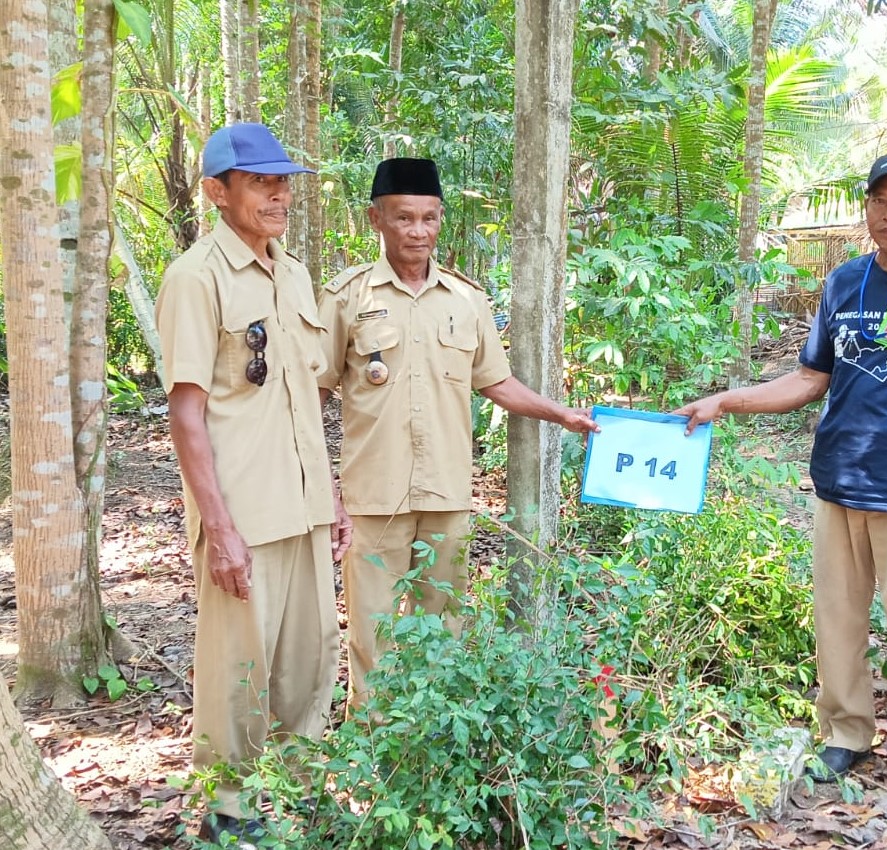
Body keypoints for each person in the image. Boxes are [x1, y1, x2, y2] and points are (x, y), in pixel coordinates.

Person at [677, 150, 887, 806]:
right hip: (838, 485)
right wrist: (726, 400)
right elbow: (808, 379)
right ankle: (846, 734)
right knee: (837, 622)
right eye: (880, 199)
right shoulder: (843, 284)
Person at [317, 157, 598, 707]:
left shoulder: (467, 300)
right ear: (376, 220)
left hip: (447, 494)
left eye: (428, 218)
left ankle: (434, 746)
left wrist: (562, 414)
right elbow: (312, 393)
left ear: (441, 217)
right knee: (371, 634)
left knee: (444, 623)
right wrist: (325, 491)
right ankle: (373, 752)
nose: (417, 231)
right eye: (403, 218)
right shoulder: (347, 297)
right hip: (374, 497)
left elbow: (498, 383)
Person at [156, 123, 352, 844]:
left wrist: (329, 497)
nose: (279, 192)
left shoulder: (294, 273)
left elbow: (306, 396)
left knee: (309, 661)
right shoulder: (194, 277)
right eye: (261, 181)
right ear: (217, 191)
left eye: (284, 180)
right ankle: (228, 811)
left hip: (301, 506)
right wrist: (221, 529)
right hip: (241, 509)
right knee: (237, 670)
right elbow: (186, 412)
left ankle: (300, 794)